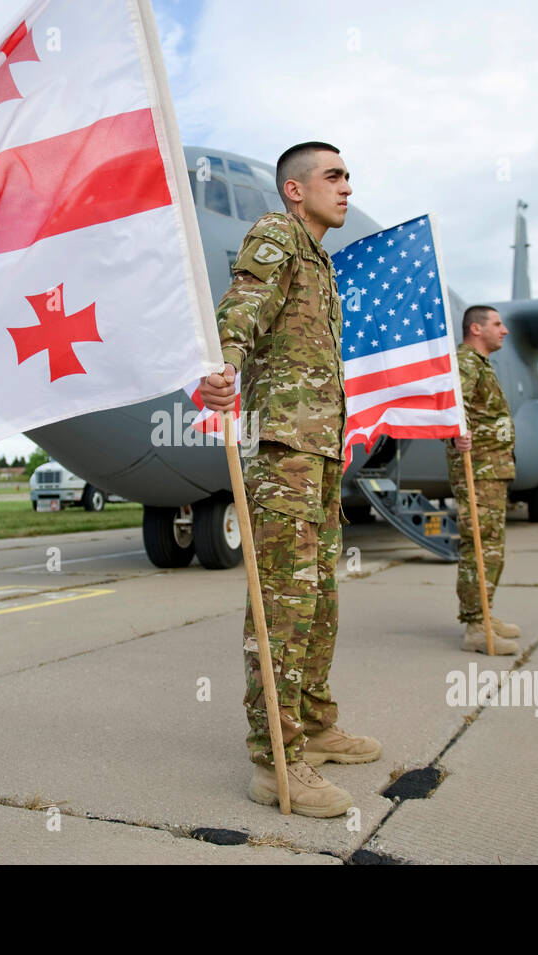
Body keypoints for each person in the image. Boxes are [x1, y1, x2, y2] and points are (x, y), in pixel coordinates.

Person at [198, 142, 380, 818]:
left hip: (320, 457)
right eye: (333, 175)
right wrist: (224, 362)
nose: (346, 186)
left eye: (347, 175)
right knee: (283, 608)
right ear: (295, 189)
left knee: (321, 603)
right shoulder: (276, 234)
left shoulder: (321, 261)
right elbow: (241, 307)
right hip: (283, 457)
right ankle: (275, 760)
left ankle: (315, 725)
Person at [448, 305, 522, 655]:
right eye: (497, 324)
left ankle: (484, 614)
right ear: (476, 329)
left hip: (491, 470)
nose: (504, 330)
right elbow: (451, 407)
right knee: (479, 545)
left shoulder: (480, 365)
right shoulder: (465, 362)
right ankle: (476, 626)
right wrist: (454, 436)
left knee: (491, 547)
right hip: (476, 470)